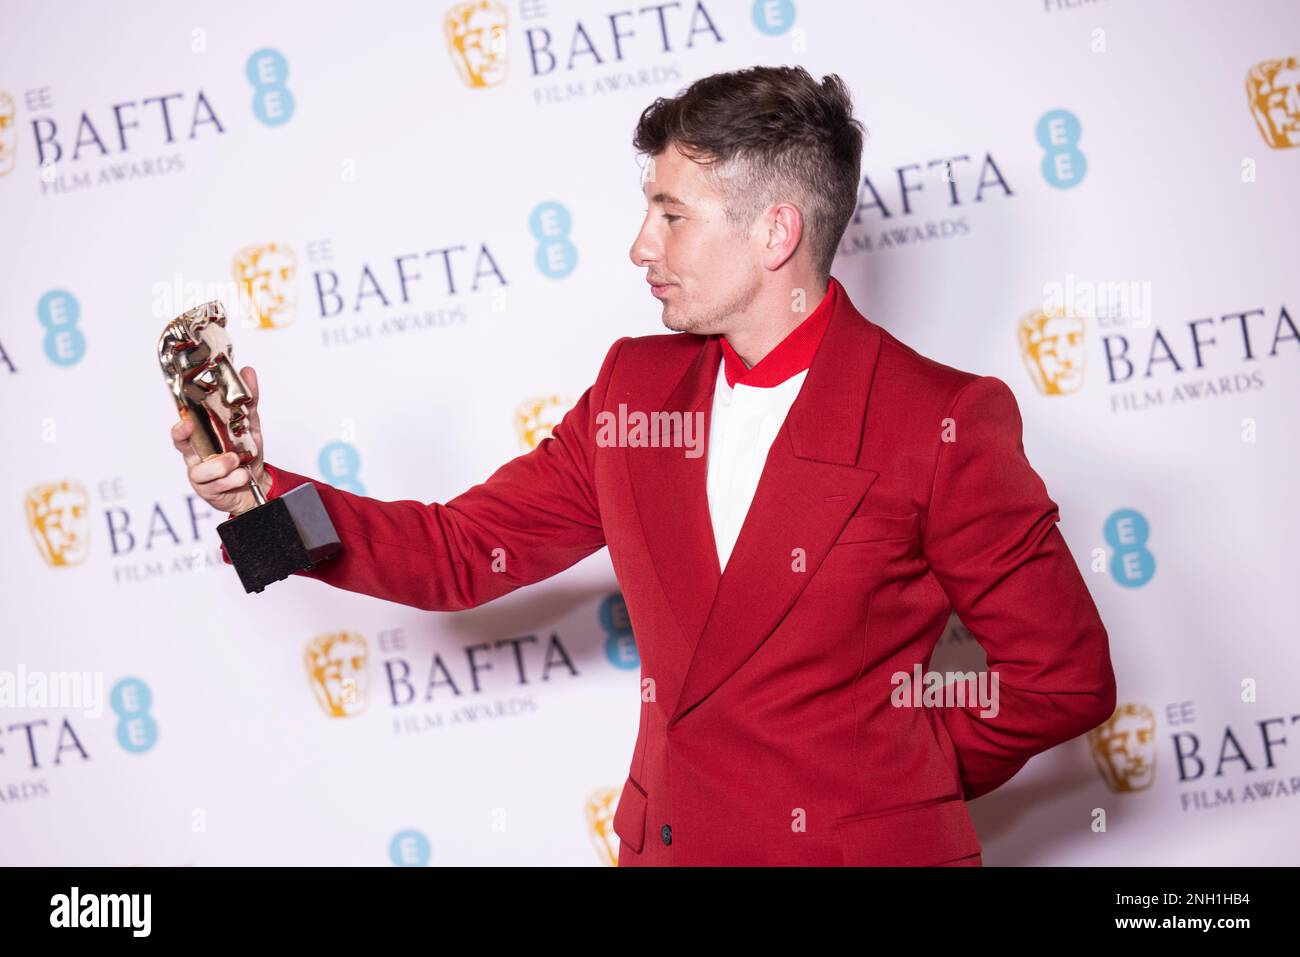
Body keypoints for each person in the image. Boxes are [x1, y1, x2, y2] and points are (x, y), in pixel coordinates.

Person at [170, 65, 1117, 867]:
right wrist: (260, 499)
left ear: (776, 232)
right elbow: (461, 552)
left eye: (671, 214)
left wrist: (883, 780)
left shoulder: (941, 417)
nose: (640, 247)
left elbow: (1061, 679)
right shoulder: (633, 390)